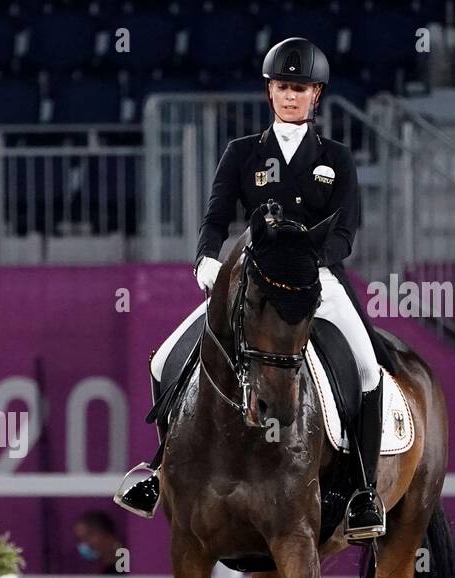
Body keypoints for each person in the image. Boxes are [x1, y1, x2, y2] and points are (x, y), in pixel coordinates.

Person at [113, 36, 387, 541]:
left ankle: (363, 490)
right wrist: (205, 260)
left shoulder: (337, 158)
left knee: (369, 370)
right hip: (249, 284)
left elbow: (346, 231)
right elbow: (216, 218)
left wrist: (312, 263)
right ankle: (160, 472)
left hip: (317, 282)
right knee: (163, 360)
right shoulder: (242, 153)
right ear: (270, 91)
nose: (290, 96)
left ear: (316, 95)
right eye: (283, 87)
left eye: (300, 88)